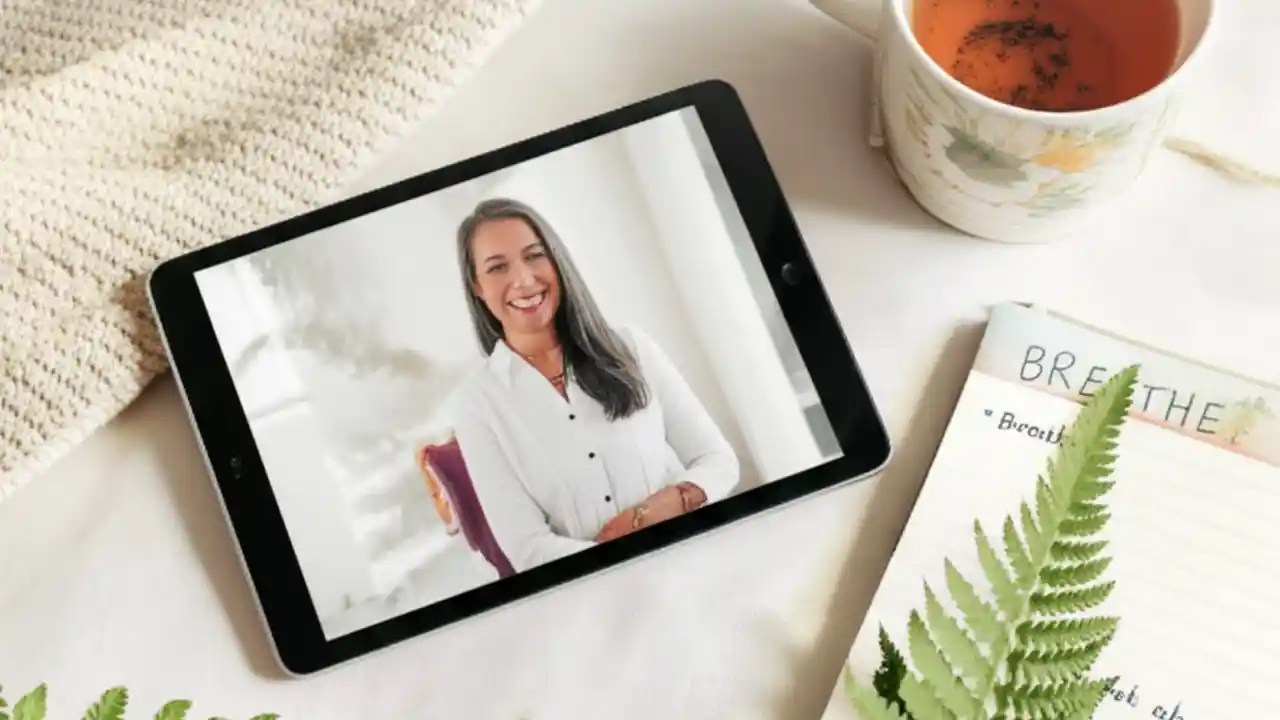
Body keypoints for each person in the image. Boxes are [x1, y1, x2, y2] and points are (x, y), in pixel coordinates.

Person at [448, 197, 740, 573]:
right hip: (599, 598)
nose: (522, 280)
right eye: (497, 267)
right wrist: (620, 563)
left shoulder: (631, 348)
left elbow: (718, 461)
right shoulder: (476, 404)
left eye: (535, 255)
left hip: (694, 558)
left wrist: (662, 508)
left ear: (557, 259)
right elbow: (528, 550)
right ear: (477, 287)